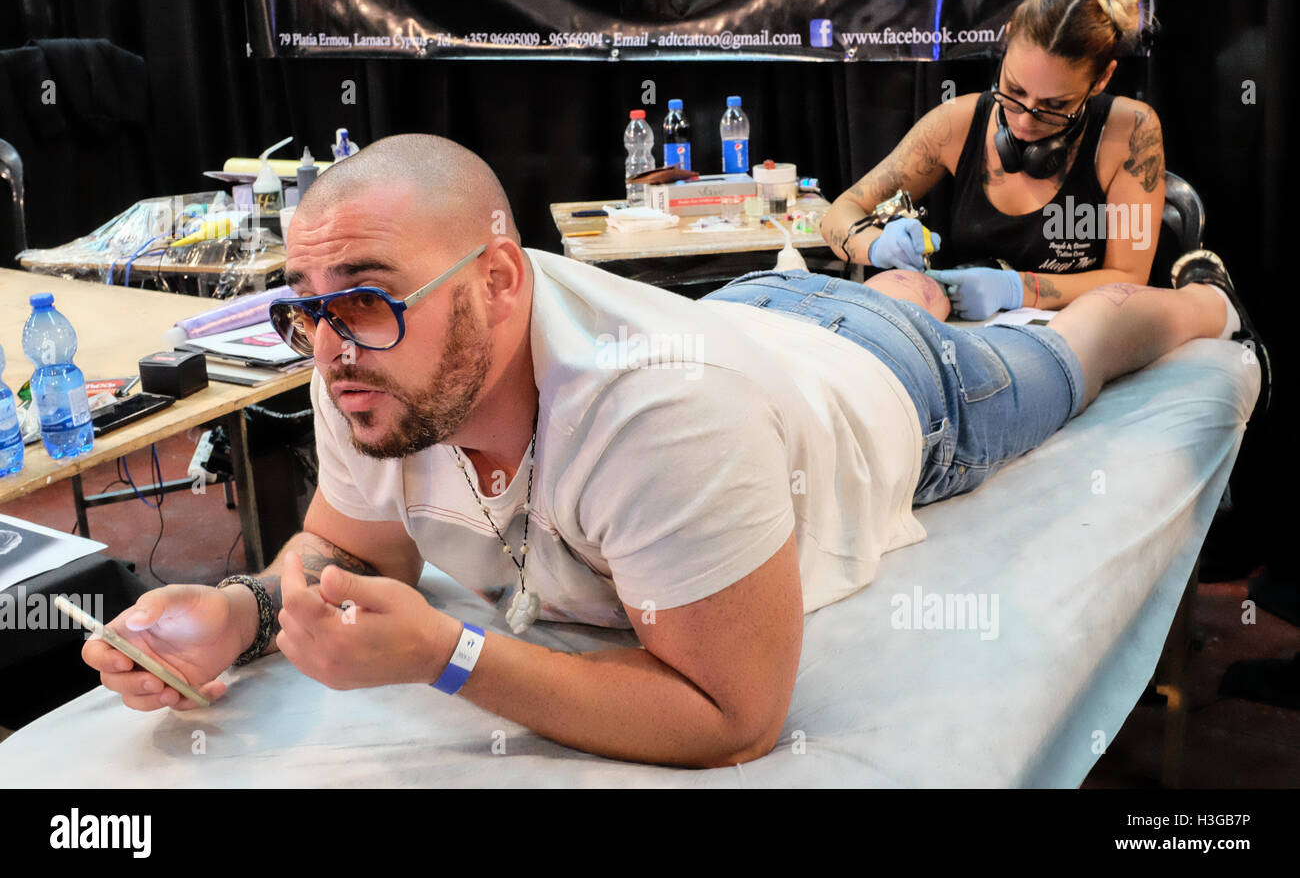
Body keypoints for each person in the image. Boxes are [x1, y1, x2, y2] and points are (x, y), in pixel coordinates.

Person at [81, 134, 1259, 769]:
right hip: (754, 312)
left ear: (499, 280)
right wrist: (239, 606)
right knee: (895, 284)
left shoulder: (654, 419)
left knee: (1081, 340)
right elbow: (349, 548)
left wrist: (455, 658)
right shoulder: (369, 365)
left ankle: (1201, 298)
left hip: (894, 385)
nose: (327, 345)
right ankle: (914, 282)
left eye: (367, 296)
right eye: (305, 302)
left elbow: (729, 713)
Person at [821, 0, 1160, 320]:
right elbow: (839, 215)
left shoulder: (1131, 131)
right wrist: (877, 247)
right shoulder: (955, 124)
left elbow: (1130, 278)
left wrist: (1018, 289)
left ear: (1103, 79)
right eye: (1014, 91)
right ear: (1007, 38)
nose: (1025, 120)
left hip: (1078, 334)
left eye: (1054, 105)